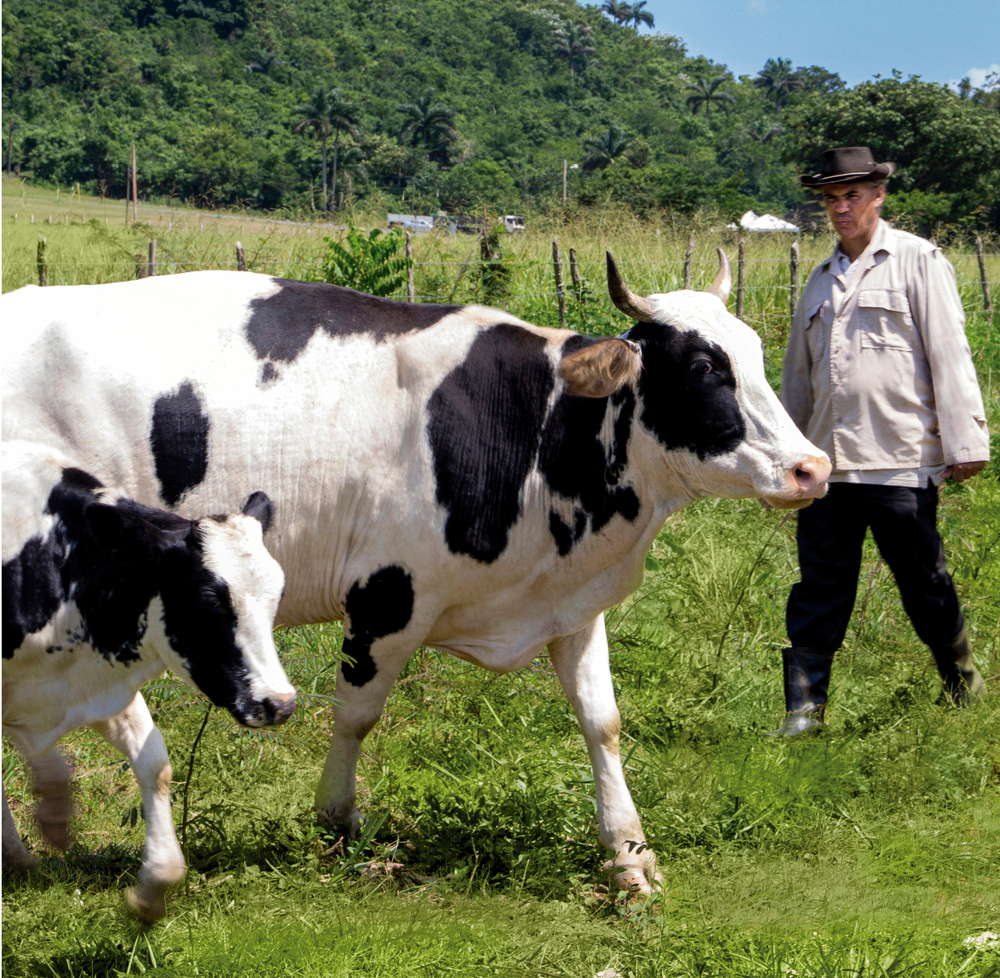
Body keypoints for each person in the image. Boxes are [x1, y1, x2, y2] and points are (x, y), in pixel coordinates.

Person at [774, 146, 990, 737]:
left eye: (852, 195)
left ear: (878, 196)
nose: (841, 208)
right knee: (819, 590)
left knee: (923, 580)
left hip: (899, 459)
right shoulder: (819, 280)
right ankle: (804, 713)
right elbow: (798, 376)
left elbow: (949, 351)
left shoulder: (918, 261)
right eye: (830, 199)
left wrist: (965, 441)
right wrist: (786, 460)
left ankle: (961, 681)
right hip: (829, 468)